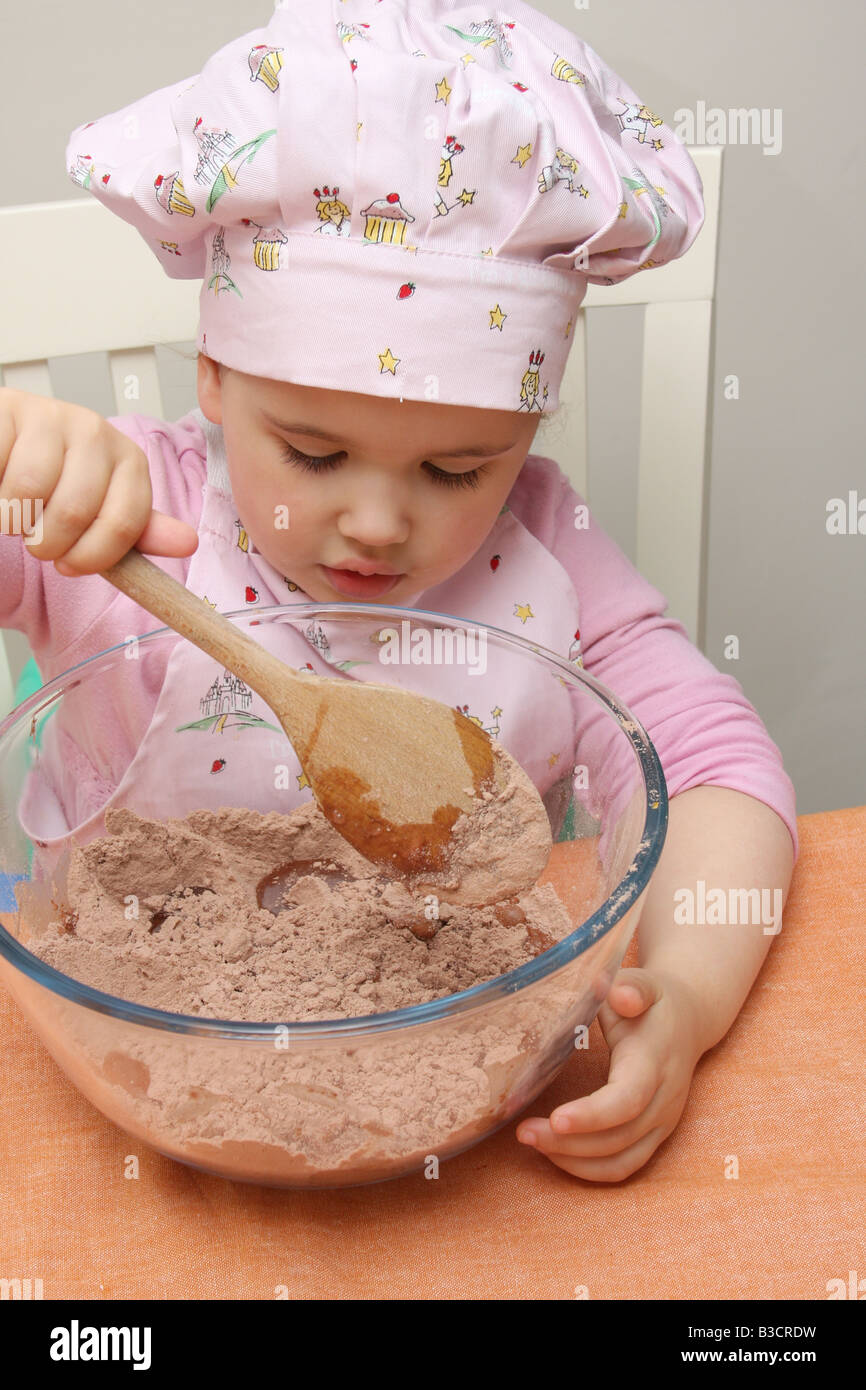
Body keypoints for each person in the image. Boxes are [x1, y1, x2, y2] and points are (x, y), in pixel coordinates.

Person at [0, 0, 796, 1182]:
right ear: (214, 375)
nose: (375, 521)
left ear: (528, 429)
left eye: (456, 468)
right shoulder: (124, 518)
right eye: (312, 453)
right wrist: (15, 461)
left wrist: (679, 986)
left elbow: (712, 762)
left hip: (463, 1069)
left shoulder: (547, 549)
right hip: (136, 1045)